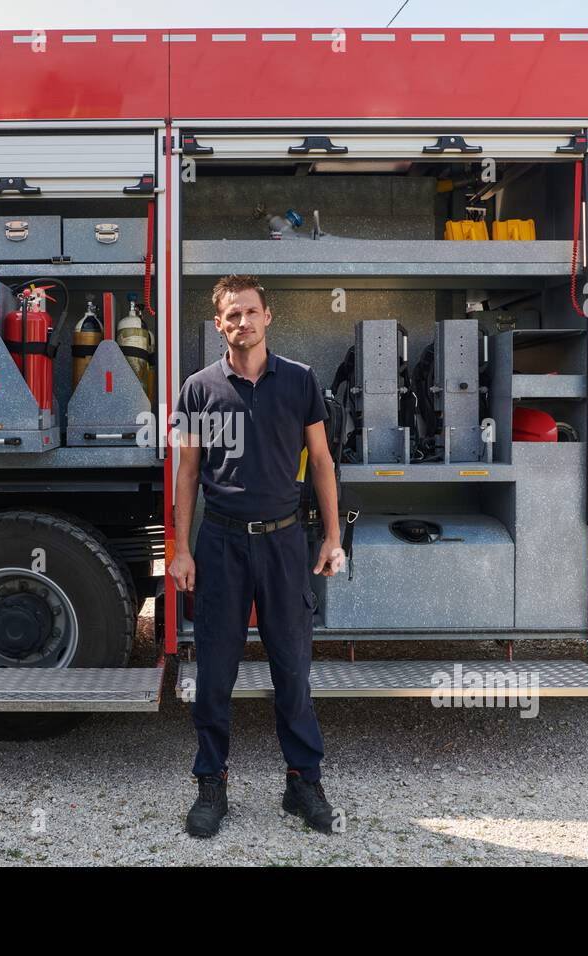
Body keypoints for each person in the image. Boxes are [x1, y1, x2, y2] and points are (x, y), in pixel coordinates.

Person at [169, 274, 345, 838]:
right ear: (218, 324)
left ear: (267, 317)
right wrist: (179, 549)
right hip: (219, 544)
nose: (241, 322)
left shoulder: (300, 381)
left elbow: (320, 461)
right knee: (215, 672)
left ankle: (303, 783)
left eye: (249, 312)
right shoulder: (198, 388)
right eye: (230, 315)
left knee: (292, 669)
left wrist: (332, 536)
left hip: (285, 542)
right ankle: (211, 786)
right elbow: (188, 472)